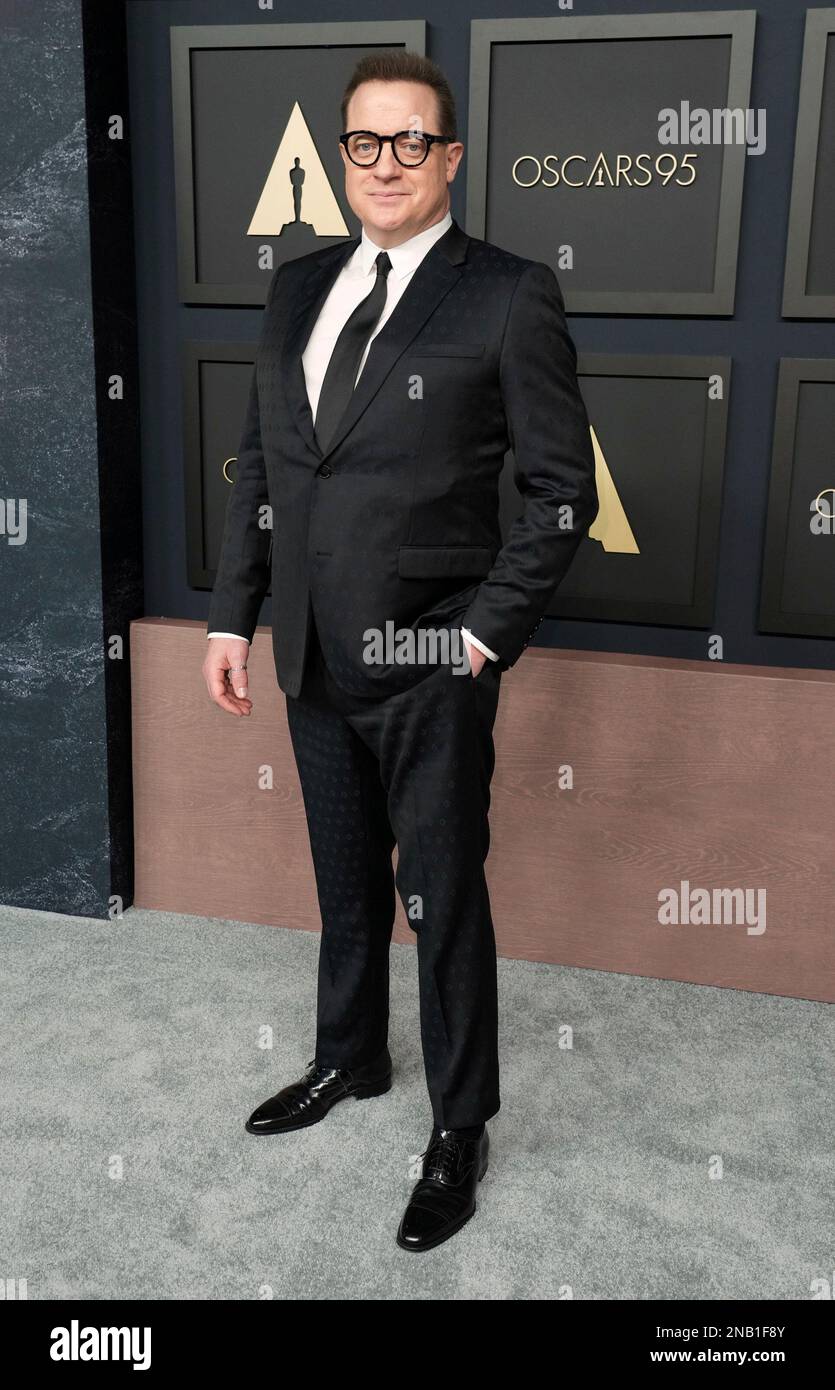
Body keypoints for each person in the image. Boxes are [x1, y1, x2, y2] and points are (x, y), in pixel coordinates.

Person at [202, 49, 598, 1252]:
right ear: (341, 156)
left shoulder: (507, 293)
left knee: (441, 900)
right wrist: (234, 612)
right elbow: (266, 466)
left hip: (432, 659)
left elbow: (558, 492)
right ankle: (347, 1061)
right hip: (312, 655)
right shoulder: (297, 284)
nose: (386, 164)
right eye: (365, 143)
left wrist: (483, 635)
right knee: (342, 885)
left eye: (411, 142)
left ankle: (458, 1126)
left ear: (451, 156)